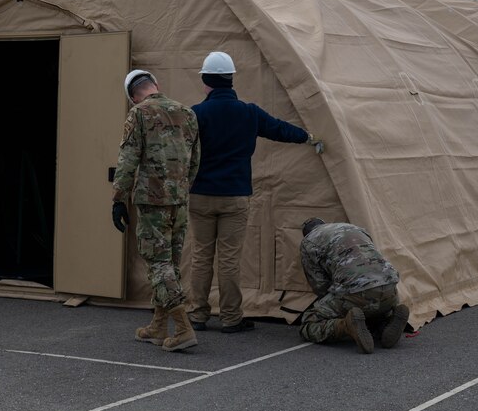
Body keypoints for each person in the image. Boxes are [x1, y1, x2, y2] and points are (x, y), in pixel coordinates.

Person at [187, 51, 324, 333]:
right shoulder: (248, 113)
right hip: (234, 197)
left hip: (200, 195)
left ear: (205, 81)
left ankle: (197, 315)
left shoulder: (195, 114)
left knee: (201, 256)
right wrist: (308, 137)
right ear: (231, 79)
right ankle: (230, 318)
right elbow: (279, 129)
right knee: (229, 260)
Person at [111, 70, 201, 352]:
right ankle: (159, 325)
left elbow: (127, 160)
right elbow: (195, 161)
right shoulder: (187, 113)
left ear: (132, 97)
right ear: (156, 85)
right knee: (170, 263)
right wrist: (180, 190)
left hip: (152, 203)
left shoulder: (138, 114)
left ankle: (183, 328)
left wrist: (119, 199)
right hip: (179, 201)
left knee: (158, 263)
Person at [297, 218, 410, 353]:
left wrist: (332, 304)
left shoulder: (308, 241)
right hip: (390, 287)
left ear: (307, 233)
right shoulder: (356, 229)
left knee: (309, 322)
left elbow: (319, 283)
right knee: (371, 308)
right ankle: (386, 322)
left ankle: (346, 325)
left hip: (355, 291)